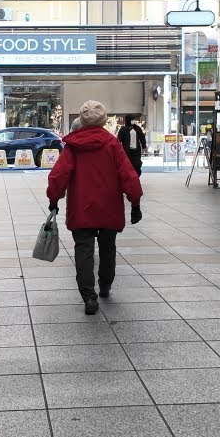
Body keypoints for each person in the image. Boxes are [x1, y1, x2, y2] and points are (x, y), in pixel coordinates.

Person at [47, 101, 144, 315]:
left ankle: (89, 297)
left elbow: (58, 175)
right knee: (108, 248)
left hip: (81, 207)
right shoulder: (112, 144)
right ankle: (105, 285)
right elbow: (128, 176)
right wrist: (135, 203)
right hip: (109, 207)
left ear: (82, 120)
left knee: (84, 250)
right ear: (104, 120)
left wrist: (54, 199)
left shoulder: (73, 146)